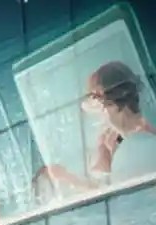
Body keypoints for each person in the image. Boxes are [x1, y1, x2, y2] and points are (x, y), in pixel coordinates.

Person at [42, 60, 156, 191]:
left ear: (110, 103)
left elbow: (114, 195)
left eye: (95, 102)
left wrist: (68, 178)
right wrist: (105, 155)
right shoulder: (133, 139)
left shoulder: (137, 147)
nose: (95, 114)